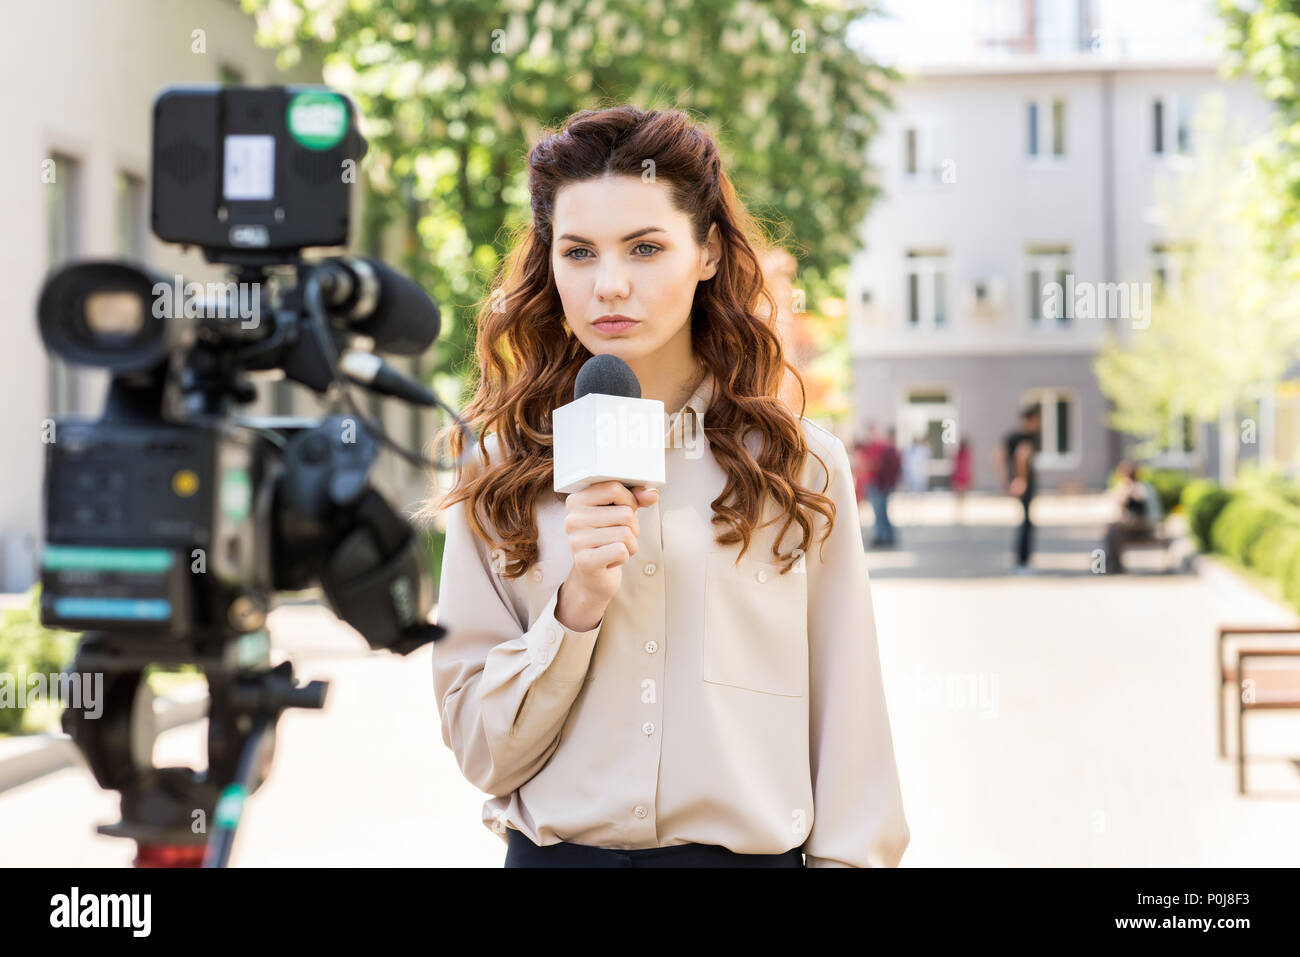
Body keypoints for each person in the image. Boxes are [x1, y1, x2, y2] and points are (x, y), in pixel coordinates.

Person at [424, 105, 909, 869]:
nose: (609, 285)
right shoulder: (498, 466)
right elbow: (484, 756)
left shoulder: (799, 467)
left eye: (645, 248)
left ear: (708, 252)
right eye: (578, 252)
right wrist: (574, 607)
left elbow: (853, 741)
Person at [1102, 461, 1163, 573]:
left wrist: (1126, 490)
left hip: (1143, 527)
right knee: (1110, 530)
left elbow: (1136, 504)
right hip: (1136, 526)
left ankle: (1111, 564)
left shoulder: (1138, 488)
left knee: (1111, 530)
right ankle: (1111, 563)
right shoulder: (1142, 487)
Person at [1002, 405, 1041, 574]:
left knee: (1025, 522)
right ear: (1031, 419)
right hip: (1025, 486)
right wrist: (1021, 479)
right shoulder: (1028, 437)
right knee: (1026, 523)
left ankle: (1021, 560)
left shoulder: (1012, 436)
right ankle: (1023, 562)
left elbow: (998, 457)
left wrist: (1006, 480)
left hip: (1017, 484)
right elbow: (1021, 456)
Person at [864, 423, 900, 547]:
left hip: (877, 483)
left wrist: (866, 465)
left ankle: (883, 536)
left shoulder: (878, 446)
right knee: (881, 511)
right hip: (880, 483)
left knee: (880, 512)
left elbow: (875, 464)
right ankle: (886, 535)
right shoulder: (876, 446)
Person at [950, 438, 972, 519]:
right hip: (960, 477)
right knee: (960, 494)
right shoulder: (958, 455)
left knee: (962, 494)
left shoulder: (966, 455)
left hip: (962, 476)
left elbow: (968, 467)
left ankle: (961, 509)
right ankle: (959, 509)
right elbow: (955, 467)